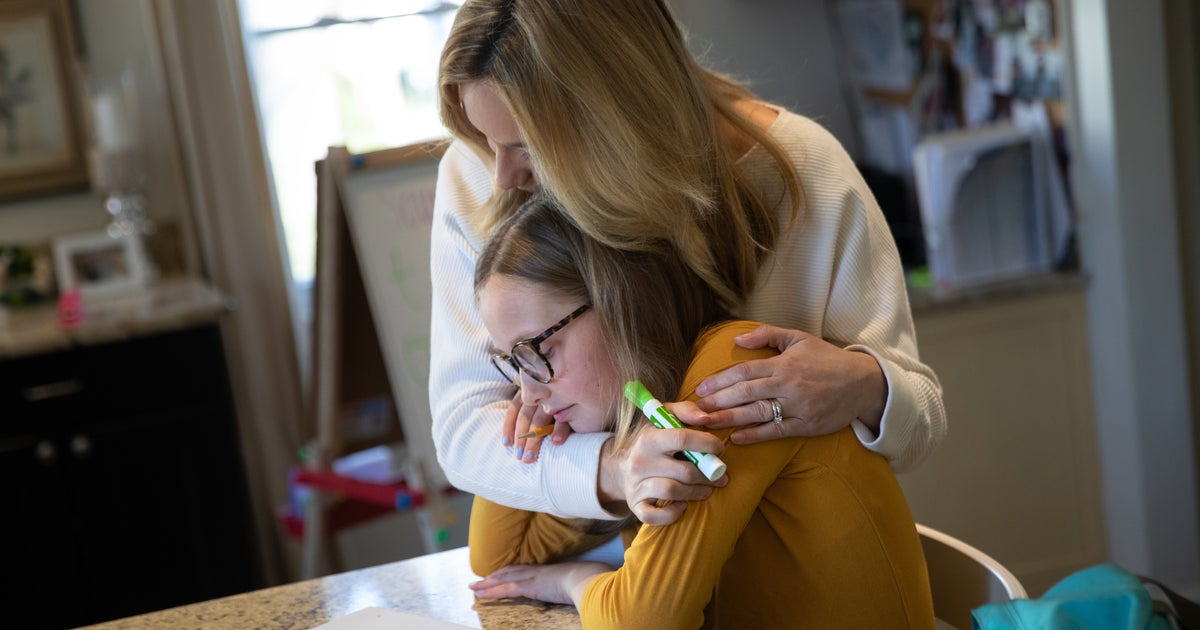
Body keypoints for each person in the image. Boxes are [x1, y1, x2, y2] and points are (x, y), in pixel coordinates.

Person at [430, 0, 947, 526]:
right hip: (606, 562)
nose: (502, 177)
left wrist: (863, 386)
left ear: (617, 118)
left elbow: (921, 425)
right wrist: (614, 468)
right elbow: (463, 430)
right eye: (486, 142)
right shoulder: (477, 172)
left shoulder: (805, 170)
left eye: (527, 148)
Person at [465, 196, 935, 629]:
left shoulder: (730, 379)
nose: (528, 391)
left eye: (537, 350)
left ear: (620, 301)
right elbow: (499, 558)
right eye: (514, 363)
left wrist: (575, 581)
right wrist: (543, 408)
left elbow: (641, 623)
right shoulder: (624, 411)